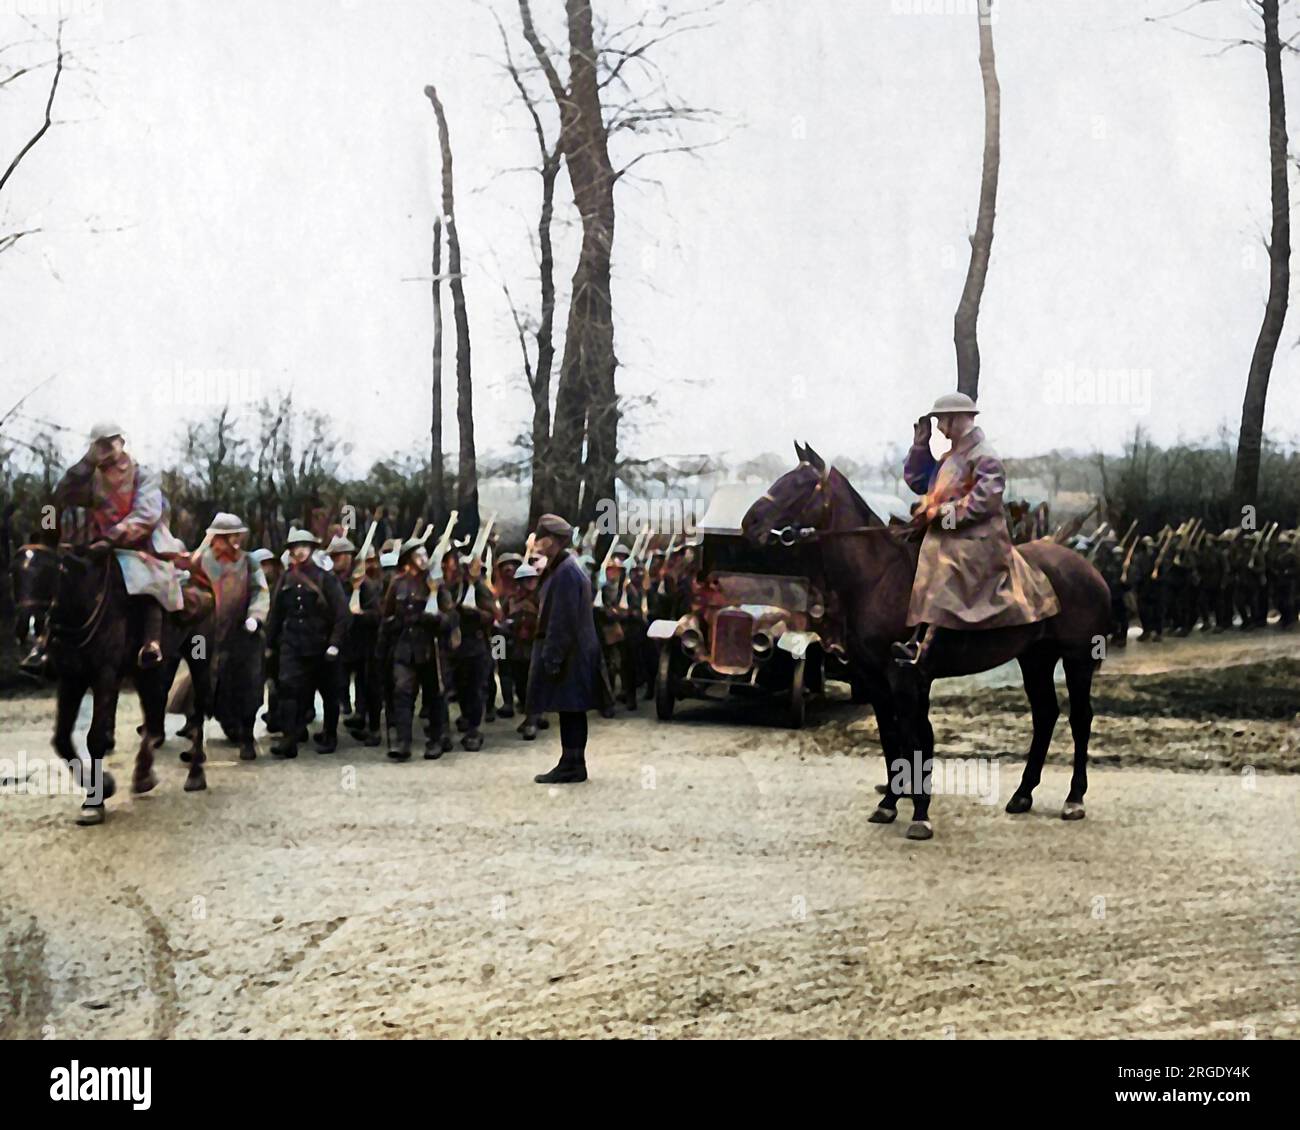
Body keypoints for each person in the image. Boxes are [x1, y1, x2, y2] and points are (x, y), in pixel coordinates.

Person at [893, 393, 1059, 667]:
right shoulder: (952, 456)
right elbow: (920, 482)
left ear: (956, 419)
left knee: (943, 561)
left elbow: (983, 502)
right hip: (947, 530)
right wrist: (920, 446)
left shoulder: (985, 457)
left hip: (977, 537)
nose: (940, 429)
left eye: (942, 421)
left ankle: (925, 642)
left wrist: (939, 514)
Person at [24, 422, 186, 673]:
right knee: (63, 579)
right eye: (100, 443)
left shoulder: (143, 475)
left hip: (139, 543)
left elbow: (146, 514)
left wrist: (112, 538)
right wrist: (85, 464)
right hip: (95, 544)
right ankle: (44, 645)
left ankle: (150, 643)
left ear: (122, 441)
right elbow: (61, 496)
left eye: (111, 441)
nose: (107, 448)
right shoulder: (90, 474)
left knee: (148, 578)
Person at [527, 513, 613, 784]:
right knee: (571, 709)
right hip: (575, 650)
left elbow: (561, 619)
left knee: (571, 708)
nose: (536, 544)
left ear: (550, 541)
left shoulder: (565, 572)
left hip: (571, 653)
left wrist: (552, 657)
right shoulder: (567, 568)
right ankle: (572, 761)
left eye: (540, 539)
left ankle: (572, 764)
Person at [182, 513, 269, 760]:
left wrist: (256, 615)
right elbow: (185, 576)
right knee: (200, 682)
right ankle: (196, 741)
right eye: (229, 536)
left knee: (247, 685)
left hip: (243, 633)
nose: (235, 540)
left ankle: (247, 737)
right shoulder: (202, 560)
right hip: (205, 634)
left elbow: (260, 591)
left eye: (238, 535)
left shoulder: (249, 561)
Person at [264, 527, 349, 759]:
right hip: (293, 644)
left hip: (321, 645)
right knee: (289, 690)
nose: (299, 552)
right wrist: (269, 645)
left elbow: (342, 614)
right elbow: (276, 614)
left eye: (304, 547)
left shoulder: (325, 578)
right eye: (295, 547)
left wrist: (334, 644)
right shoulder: (286, 579)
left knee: (329, 692)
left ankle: (330, 735)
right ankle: (289, 740)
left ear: (311, 549)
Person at [379, 537, 450, 761]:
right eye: (419, 556)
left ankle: (436, 740)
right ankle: (403, 742)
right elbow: (386, 614)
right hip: (404, 647)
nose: (424, 560)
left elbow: (451, 617)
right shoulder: (398, 583)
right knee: (402, 692)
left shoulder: (436, 583)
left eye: (425, 555)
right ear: (409, 559)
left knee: (433, 695)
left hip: (429, 646)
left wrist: (436, 617)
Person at [437, 549, 497, 751]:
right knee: (457, 688)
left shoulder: (480, 589)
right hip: (453, 647)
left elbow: (492, 616)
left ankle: (474, 730)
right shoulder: (448, 588)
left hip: (475, 644)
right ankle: (450, 728)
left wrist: (474, 613)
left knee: (474, 689)